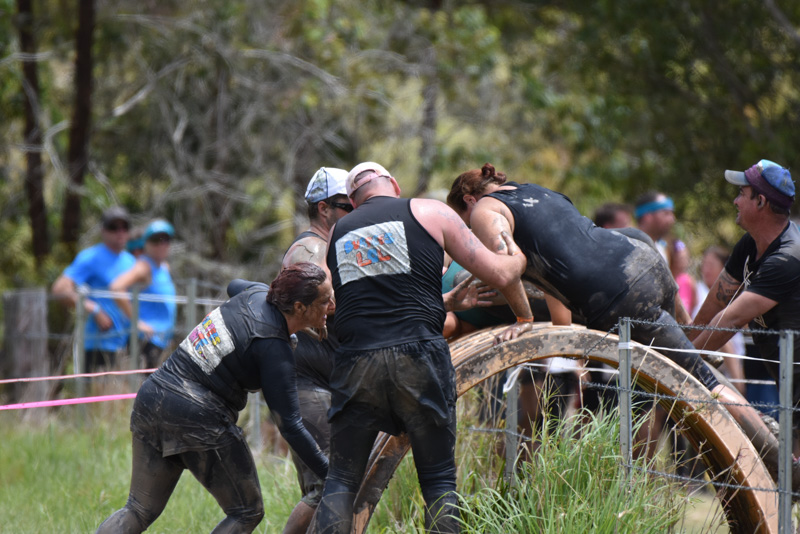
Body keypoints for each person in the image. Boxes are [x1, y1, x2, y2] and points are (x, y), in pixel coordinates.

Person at [446, 163, 775, 461]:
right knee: (693, 372)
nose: (470, 235)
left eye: (465, 224)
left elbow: (505, 269)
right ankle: (687, 332)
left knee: (703, 383)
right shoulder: (536, 191)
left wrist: (524, 319)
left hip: (616, 296)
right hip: (643, 259)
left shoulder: (484, 210)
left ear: (470, 201)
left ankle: (772, 451)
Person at [314, 162, 527, 534]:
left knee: (342, 481)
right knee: (439, 480)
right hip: (420, 357)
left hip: (357, 360)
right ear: (394, 185)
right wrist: (519, 257)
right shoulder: (431, 211)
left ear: (353, 201)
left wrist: (441, 302)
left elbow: (339, 303)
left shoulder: (337, 233)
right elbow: (502, 273)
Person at [96, 263, 332, 534]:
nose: (332, 305)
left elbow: (234, 285)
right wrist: (331, 476)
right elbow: (290, 426)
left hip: (153, 396)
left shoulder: (256, 294)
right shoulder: (275, 348)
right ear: (300, 307)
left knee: (138, 509)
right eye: (325, 301)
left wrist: (294, 324)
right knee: (247, 511)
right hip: (197, 415)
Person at [691, 159, 799, 448]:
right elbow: (716, 302)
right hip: (786, 375)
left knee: (790, 464)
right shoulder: (750, 244)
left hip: (796, 376)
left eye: (742, 193)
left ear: (760, 201)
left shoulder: (787, 258)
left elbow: (731, 319)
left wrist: (684, 360)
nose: (735, 201)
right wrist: (682, 343)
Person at [279, 167, 352, 534]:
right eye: (349, 206)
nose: (356, 213)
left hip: (325, 381)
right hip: (306, 383)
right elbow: (326, 298)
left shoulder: (329, 248)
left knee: (333, 487)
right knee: (323, 487)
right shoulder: (310, 248)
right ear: (325, 208)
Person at [52, 206, 136, 371]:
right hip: (98, 345)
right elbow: (60, 289)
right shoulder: (90, 257)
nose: (120, 232)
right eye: (113, 227)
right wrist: (94, 309)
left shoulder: (131, 261)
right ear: (103, 230)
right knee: (96, 389)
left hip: (126, 345)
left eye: (124, 227)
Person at [110, 219, 177, 369]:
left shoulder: (164, 267)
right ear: (146, 243)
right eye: (155, 240)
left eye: (165, 239)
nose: (161, 244)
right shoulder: (144, 266)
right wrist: (137, 322)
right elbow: (116, 287)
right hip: (145, 342)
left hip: (162, 342)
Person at [635, 190, 676, 263]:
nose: (672, 219)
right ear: (647, 216)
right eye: (666, 213)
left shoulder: (661, 248)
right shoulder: (630, 248)